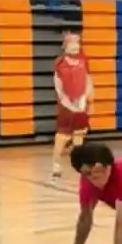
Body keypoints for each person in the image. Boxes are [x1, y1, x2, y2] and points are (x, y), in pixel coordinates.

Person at [51, 32, 94, 182]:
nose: (76, 46)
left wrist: (86, 99)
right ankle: (56, 165)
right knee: (62, 136)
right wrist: (69, 105)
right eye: (72, 43)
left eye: (78, 43)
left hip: (81, 104)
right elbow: (59, 88)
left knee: (79, 135)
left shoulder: (84, 60)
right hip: (67, 106)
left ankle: (79, 164)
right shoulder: (60, 63)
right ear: (65, 46)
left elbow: (89, 81)